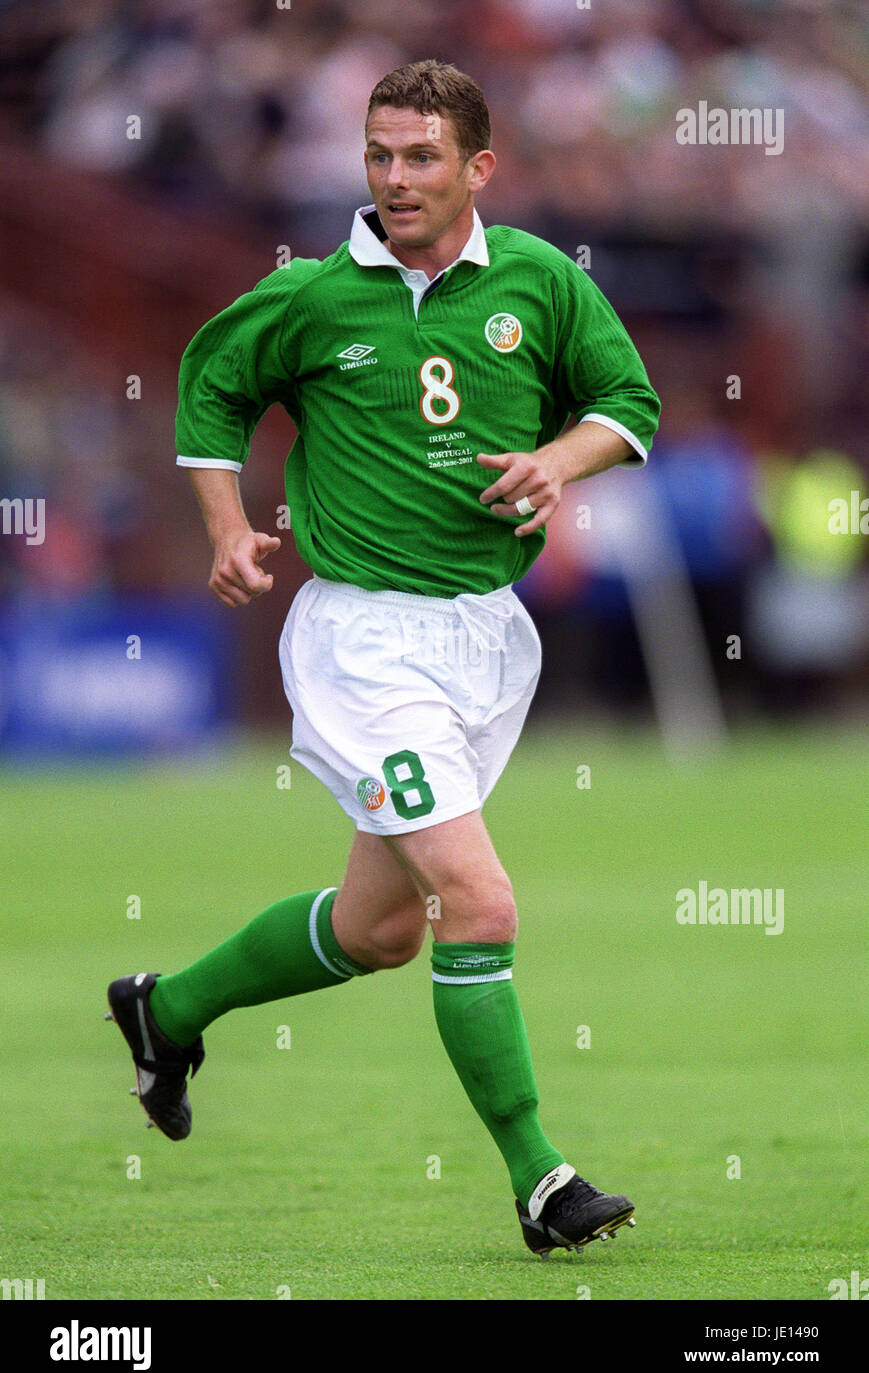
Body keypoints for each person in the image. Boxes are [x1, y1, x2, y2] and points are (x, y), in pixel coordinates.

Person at [107, 59, 660, 1258]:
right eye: (377, 153)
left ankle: (168, 1008)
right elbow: (208, 394)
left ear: (478, 168)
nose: (394, 177)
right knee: (479, 900)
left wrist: (556, 464)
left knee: (381, 930)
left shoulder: (542, 283)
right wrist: (222, 534)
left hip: (483, 639)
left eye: (418, 156)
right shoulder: (312, 294)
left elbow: (628, 402)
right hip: (362, 639)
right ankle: (539, 1180)